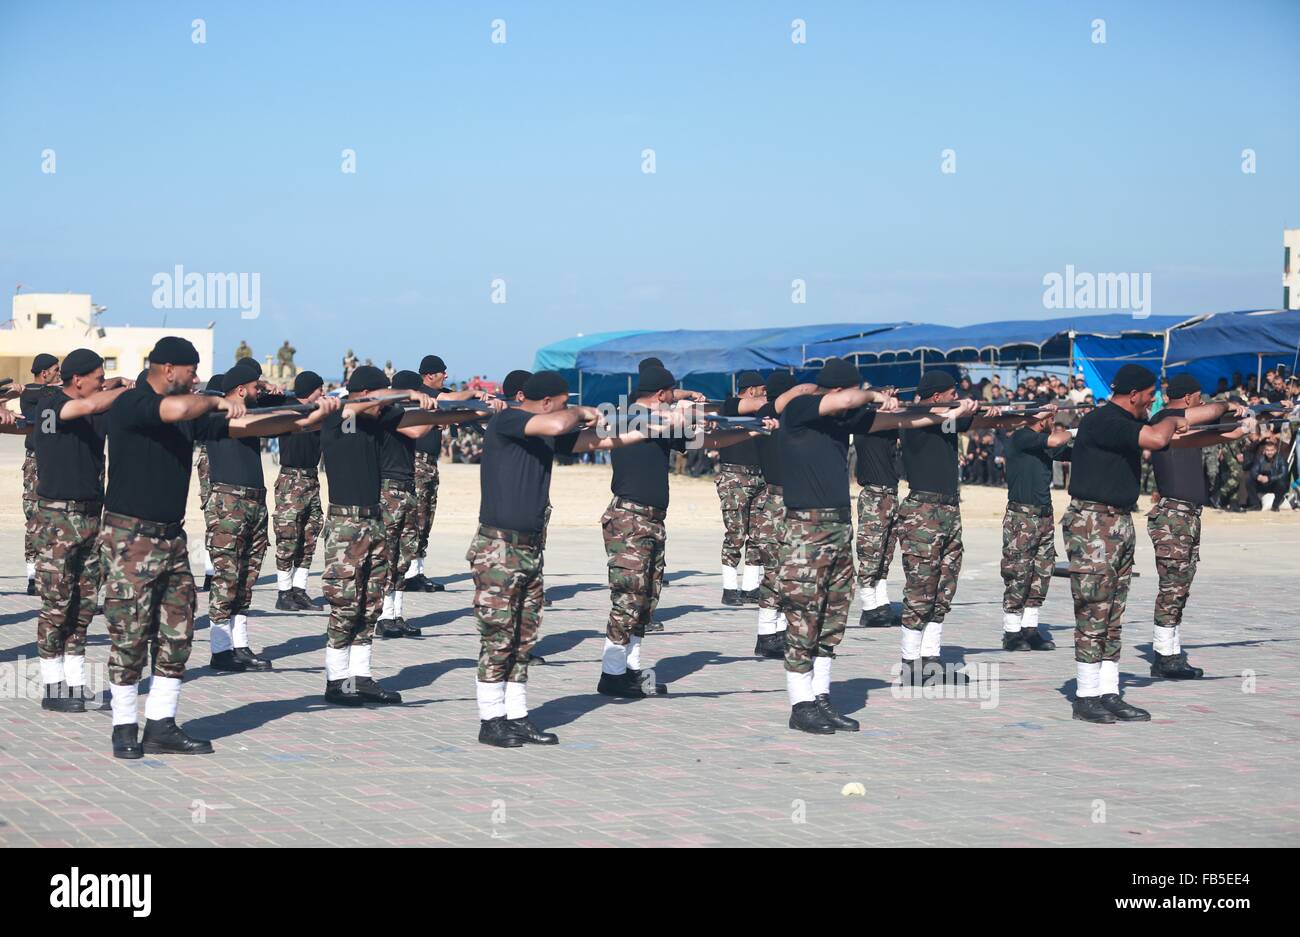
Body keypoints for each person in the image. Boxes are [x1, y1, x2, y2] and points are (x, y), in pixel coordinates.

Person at [100, 337, 319, 759]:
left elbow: (246, 427)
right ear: (168, 369)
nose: (196, 378)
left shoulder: (189, 410)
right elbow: (181, 409)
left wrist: (301, 419)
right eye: (191, 370)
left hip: (170, 537)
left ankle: (161, 724)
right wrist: (218, 400)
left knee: (177, 633)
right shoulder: (133, 403)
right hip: (130, 537)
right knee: (130, 635)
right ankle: (124, 725)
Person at [772, 359, 965, 734]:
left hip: (838, 528)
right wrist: (875, 394)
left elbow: (900, 422)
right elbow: (845, 401)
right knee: (804, 616)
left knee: (831, 617)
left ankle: (820, 697)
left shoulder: (841, 420)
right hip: (804, 532)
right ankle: (800, 703)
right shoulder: (800, 410)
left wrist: (946, 412)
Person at [471, 371, 646, 747]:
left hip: (528, 547)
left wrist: (648, 429)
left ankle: (516, 716)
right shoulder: (510, 419)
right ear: (548, 401)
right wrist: (582, 410)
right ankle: (490, 719)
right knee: (498, 637)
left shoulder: (543, 431)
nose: (567, 408)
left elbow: (592, 441)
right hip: (499, 548)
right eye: (564, 401)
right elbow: (560, 422)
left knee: (523, 638)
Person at [1064, 364, 1242, 725]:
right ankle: (1086, 695)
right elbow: (1162, 437)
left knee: (1113, 612)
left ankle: (1108, 691)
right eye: (1148, 396)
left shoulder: (1126, 423)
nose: (1152, 402)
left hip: (1116, 522)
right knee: (1094, 609)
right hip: (1093, 524)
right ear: (1134, 394)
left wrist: (1227, 433)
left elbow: (1179, 438)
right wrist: (1221, 407)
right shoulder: (1104, 420)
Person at [597, 365, 761, 699]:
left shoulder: (661, 423)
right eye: (670, 394)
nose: (673, 399)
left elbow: (709, 439)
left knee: (646, 598)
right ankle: (611, 672)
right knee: (628, 597)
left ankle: (630, 669)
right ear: (660, 395)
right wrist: (684, 410)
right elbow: (658, 421)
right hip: (629, 519)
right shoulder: (627, 417)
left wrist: (753, 431)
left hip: (653, 519)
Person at [316, 366, 474, 708]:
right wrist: (402, 394)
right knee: (345, 605)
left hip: (374, 520)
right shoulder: (338, 417)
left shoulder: (377, 420)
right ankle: (336, 680)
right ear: (364, 394)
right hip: (346, 525)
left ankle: (361, 677)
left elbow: (416, 423)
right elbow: (352, 410)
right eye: (380, 396)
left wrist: (472, 408)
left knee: (369, 604)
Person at [896, 372, 1028, 686]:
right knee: (920, 588)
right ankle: (909, 662)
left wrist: (998, 415)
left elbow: (980, 423)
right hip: (923, 512)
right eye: (951, 392)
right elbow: (939, 418)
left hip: (948, 509)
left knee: (943, 586)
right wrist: (962, 410)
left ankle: (930, 659)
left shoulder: (947, 419)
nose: (955, 395)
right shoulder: (913, 416)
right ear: (936, 396)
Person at [28, 350, 132, 711]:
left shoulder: (95, 406)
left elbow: (100, 405)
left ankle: (74, 682)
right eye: (98, 377)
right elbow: (83, 408)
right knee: (56, 604)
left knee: (84, 605)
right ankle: (52, 685)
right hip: (57, 519)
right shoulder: (50, 404)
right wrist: (125, 390)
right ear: (77, 380)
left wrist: (122, 388)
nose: (102, 382)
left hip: (91, 516)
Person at [1145, 373, 1251, 681]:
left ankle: (1171, 652)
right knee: (1172, 587)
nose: (1202, 402)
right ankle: (1164, 656)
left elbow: (1230, 432)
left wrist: (1257, 415)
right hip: (1174, 516)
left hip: (1187, 515)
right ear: (1190, 398)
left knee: (1181, 587)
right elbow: (1214, 413)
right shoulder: (1166, 418)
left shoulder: (1187, 426)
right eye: (1199, 397)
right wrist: (1228, 404)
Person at [407, 354, 497, 592]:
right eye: (442, 372)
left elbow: (452, 399)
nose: (446, 375)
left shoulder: (441, 393)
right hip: (415, 464)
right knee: (415, 518)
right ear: (429, 375)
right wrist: (474, 393)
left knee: (426, 518)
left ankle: (416, 571)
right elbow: (449, 397)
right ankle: (407, 572)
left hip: (429, 464)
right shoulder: (420, 393)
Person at [999, 406, 1072, 651]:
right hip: (1022, 517)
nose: (1054, 422)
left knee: (1041, 572)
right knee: (1018, 572)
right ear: (1043, 420)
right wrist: (1079, 429)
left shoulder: (1041, 443)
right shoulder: (1023, 436)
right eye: (1052, 418)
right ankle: (1011, 632)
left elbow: (1067, 451)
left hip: (1043, 516)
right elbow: (1059, 438)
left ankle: (1030, 629)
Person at [273, 371, 327, 611]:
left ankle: (299, 588)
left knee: (311, 531)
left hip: (311, 478)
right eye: (320, 389)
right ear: (310, 389)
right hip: (291, 479)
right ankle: (283, 592)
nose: (323, 393)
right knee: (288, 535)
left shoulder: (319, 412)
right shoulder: (289, 408)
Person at [751, 372, 797, 659]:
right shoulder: (766, 415)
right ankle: (767, 634)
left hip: (788, 501)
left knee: (787, 571)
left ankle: (778, 632)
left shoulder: (783, 420)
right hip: (775, 502)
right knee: (775, 572)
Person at [715, 371, 768, 605]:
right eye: (763, 390)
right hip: (734, 477)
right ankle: (729, 589)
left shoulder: (763, 412)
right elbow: (756, 404)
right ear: (751, 390)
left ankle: (750, 587)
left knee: (758, 535)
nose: (766, 395)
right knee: (735, 534)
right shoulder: (730, 406)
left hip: (759, 478)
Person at [20, 352, 60, 595]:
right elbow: (39, 392)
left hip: (55, 461)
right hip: (37, 461)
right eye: (56, 369)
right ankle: (32, 575)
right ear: (45, 373)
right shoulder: (32, 392)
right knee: (34, 516)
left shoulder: (53, 393)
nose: (59, 373)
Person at [1245, 438, 1289, 510]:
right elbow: (1253, 471)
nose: (1269, 452)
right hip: (1262, 484)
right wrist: (1258, 476)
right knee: (1249, 480)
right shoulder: (1260, 458)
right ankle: (1256, 505)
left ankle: (1275, 506)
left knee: (1282, 483)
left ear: (1275, 451)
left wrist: (1269, 478)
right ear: (1264, 451)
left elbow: (1284, 474)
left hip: (1274, 484)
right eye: (1267, 450)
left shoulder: (1281, 459)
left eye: (1271, 450)